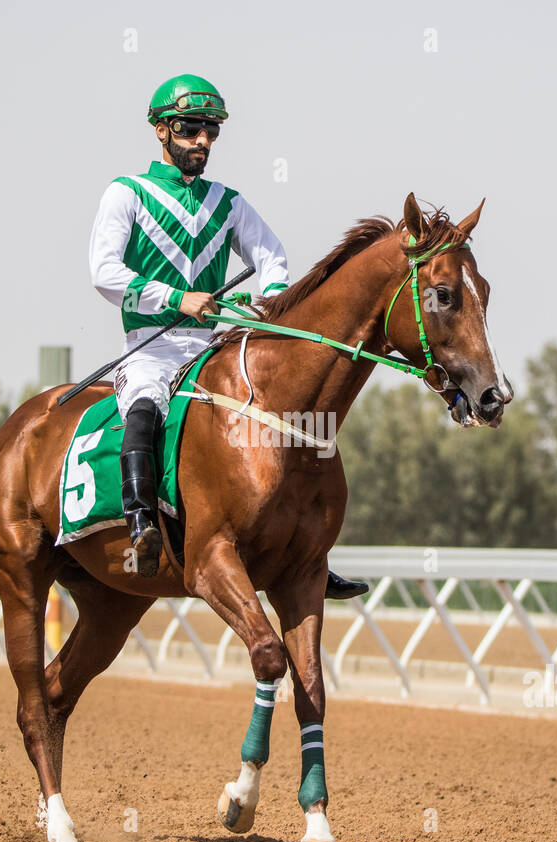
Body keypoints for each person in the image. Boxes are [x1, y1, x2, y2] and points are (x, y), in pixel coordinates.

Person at [88, 74, 368, 599]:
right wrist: (178, 299)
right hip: (150, 347)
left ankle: (307, 551)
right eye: (192, 129)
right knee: (145, 408)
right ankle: (142, 524)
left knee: (289, 417)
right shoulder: (126, 193)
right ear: (160, 130)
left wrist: (272, 302)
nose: (202, 142)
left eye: (211, 133)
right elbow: (104, 273)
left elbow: (270, 256)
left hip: (211, 348)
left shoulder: (229, 202)